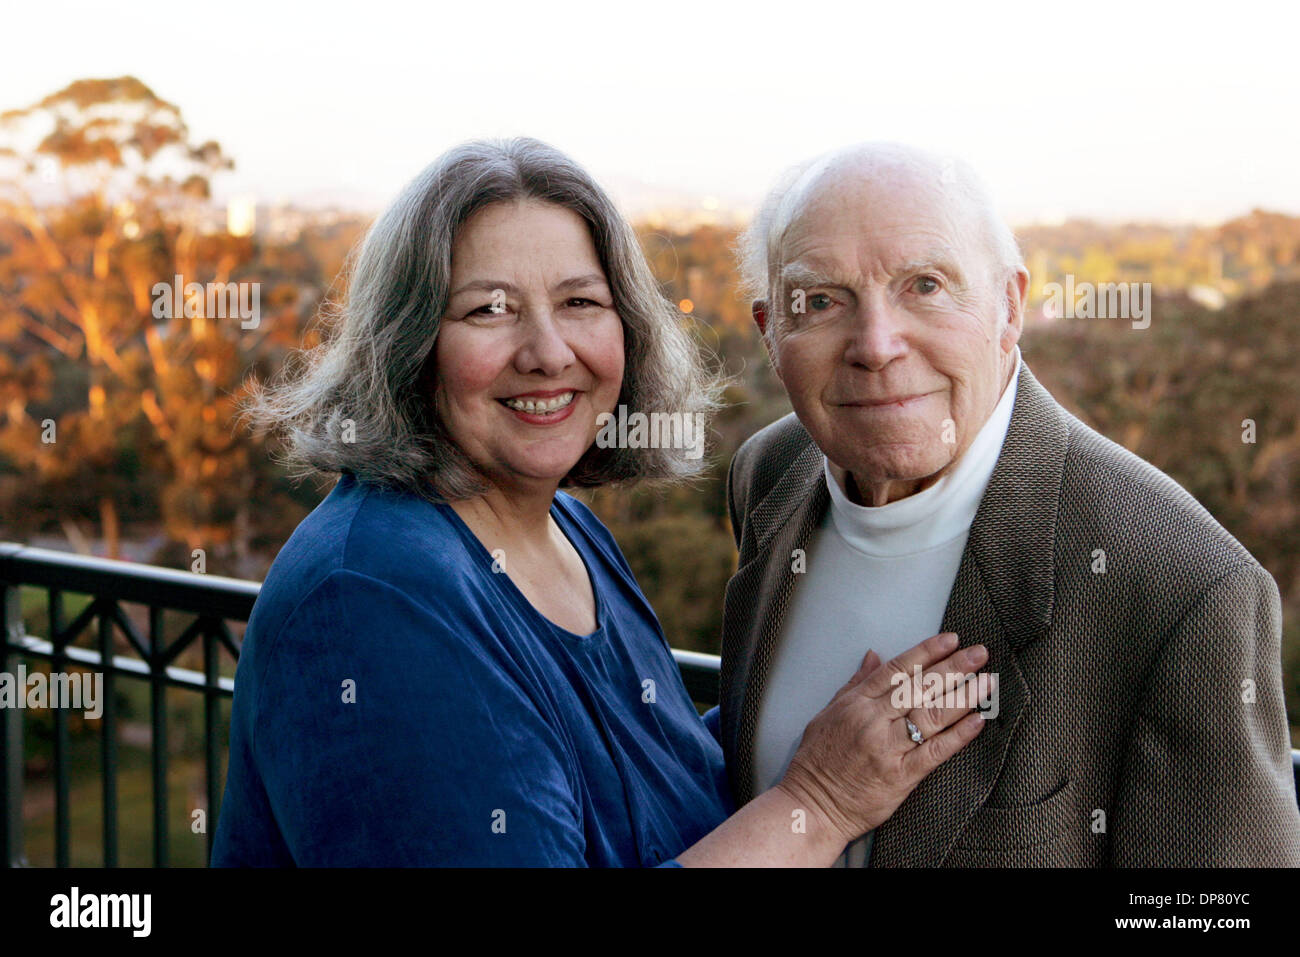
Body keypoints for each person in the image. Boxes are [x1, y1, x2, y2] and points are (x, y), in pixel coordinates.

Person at [209, 137, 991, 867]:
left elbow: (656, 783)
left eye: (580, 302)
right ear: (408, 344)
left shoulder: (568, 532)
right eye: (490, 309)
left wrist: (812, 700)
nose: (549, 352)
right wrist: (819, 803)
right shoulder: (372, 596)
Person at [723, 141, 1300, 866]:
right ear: (769, 332)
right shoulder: (767, 474)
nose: (875, 344)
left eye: (925, 285)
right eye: (820, 300)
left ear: (1009, 305)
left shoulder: (1182, 585)